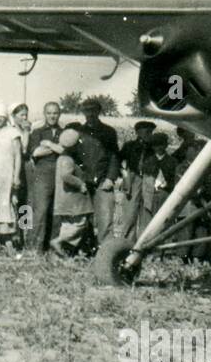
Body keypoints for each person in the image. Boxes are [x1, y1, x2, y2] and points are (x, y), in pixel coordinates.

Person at [72, 97, 121, 244]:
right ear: (83, 112)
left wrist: (110, 178)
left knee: (105, 220)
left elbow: (114, 156)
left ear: (99, 111)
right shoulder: (78, 132)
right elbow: (73, 157)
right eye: (87, 110)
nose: (90, 114)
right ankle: (85, 249)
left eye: (93, 110)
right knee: (83, 218)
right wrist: (78, 180)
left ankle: (104, 252)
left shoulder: (108, 132)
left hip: (102, 181)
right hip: (83, 182)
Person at [24, 102, 64, 251]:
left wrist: (48, 144)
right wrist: (58, 148)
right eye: (49, 113)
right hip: (42, 173)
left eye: (55, 113)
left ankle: (51, 248)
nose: (52, 116)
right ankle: (33, 247)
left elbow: (66, 150)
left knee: (57, 211)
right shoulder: (38, 131)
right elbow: (35, 152)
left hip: (60, 174)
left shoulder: (64, 132)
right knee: (39, 209)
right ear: (44, 114)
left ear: (59, 114)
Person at [179, 140, 211, 263]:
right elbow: (186, 189)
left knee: (202, 231)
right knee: (187, 232)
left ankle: (199, 257)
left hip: (207, 205)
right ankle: (184, 258)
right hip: (190, 206)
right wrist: (202, 200)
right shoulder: (182, 168)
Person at [51, 129, 93, 256]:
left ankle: (64, 251)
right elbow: (66, 176)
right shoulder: (68, 159)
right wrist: (80, 184)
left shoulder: (62, 157)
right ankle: (59, 241)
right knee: (79, 224)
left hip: (65, 199)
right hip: (72, 200)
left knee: (67, 225)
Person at [0, 103, 23, 246]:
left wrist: (16, 176)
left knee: (8, 203)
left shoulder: (13, 132)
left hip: (8, 173)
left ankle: (10, 239)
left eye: (2, 117)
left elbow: (18, 155)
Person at [119, 121, 157, 241]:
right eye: (146, 132)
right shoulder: (129, 146)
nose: (149, 135)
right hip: (133, 179)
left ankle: (143, 243)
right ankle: (128, 243)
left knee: (147, 211)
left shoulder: (154, 147)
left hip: (149, 179)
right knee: (130, 213)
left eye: (151, 132)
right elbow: (119, 160)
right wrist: (125, 175)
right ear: (138, 132)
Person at [137, 131, 178, 239]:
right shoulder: (148, 161)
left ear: (166, 145)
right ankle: (146, 244)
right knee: (148, 221)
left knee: (165, 219)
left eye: (161, 145)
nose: (159, 148)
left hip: (165, 193)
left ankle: (167, 247)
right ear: (153, 147)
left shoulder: (172, 161)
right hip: (150, 193)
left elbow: (173, 180)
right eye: (156, 145)